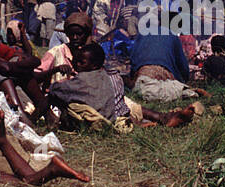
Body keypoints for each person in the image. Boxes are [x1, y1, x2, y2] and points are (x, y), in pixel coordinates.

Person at [49, 42, 196, 130]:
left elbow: (57, 90)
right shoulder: (110, 72)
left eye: (81, 62)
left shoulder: (85, 74)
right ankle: (160, 118)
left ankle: (155, 119)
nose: (77, 64)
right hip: (117, 109)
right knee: (126, 103)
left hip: (104, 112)